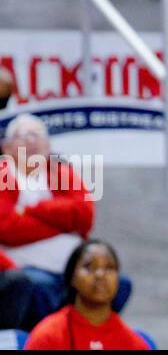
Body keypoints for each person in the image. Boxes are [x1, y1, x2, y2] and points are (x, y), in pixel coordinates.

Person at [0, 115, 97, 323]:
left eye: (39, 135)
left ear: (49, 144)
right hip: (24, 271)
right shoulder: (4, 175)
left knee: (118, 283)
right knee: (37, 285)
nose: (33, 141)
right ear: (7, 148)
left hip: (73, 269)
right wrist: (63, 225)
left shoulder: (62, 173)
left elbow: (84, 215)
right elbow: (7, 228)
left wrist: (32, 211)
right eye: (24, 135)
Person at [23, 241, 148, 350]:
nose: (100, 275)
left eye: (109, 268)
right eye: (89, 267)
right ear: (72, 277)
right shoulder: (48, 336)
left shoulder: (135, 344)